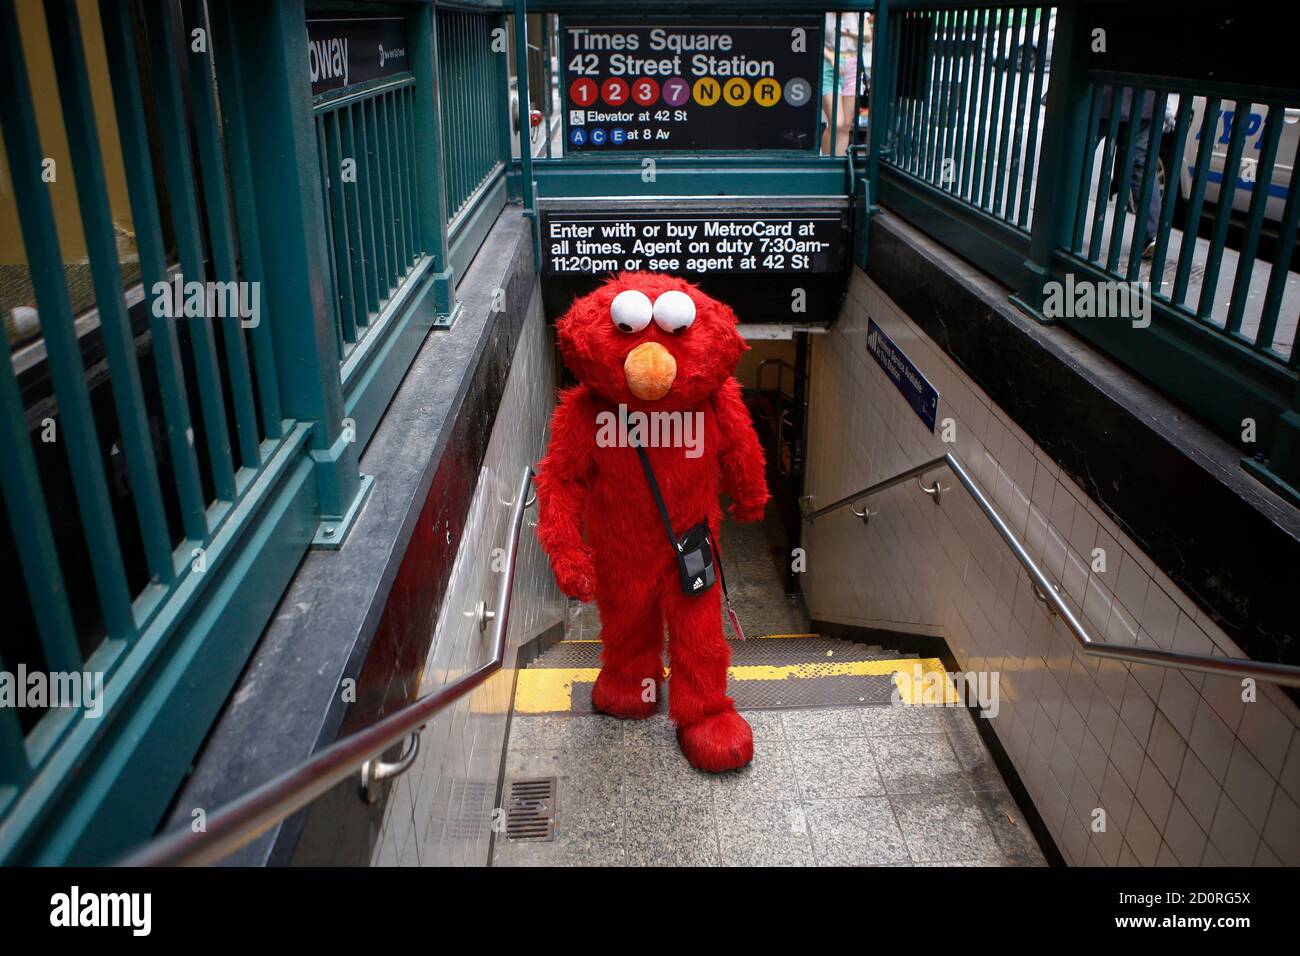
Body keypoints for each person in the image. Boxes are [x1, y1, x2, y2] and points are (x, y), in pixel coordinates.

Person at [1098, 88, 1163, 259]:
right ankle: (1152, 235)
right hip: (1144, 97)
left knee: (1078, 154)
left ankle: (1060, 223)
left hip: (1104, 91)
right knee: (1141, 164)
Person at [821, 13, 870, 155]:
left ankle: (836, 166)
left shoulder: (857, 11)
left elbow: (868, 35)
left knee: (846, 125)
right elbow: (815, 36)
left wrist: (848, 34)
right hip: (829, 63)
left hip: (851, 64)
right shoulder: (826, 11)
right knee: (836, 122)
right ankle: (825, 164)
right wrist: (830, 56)